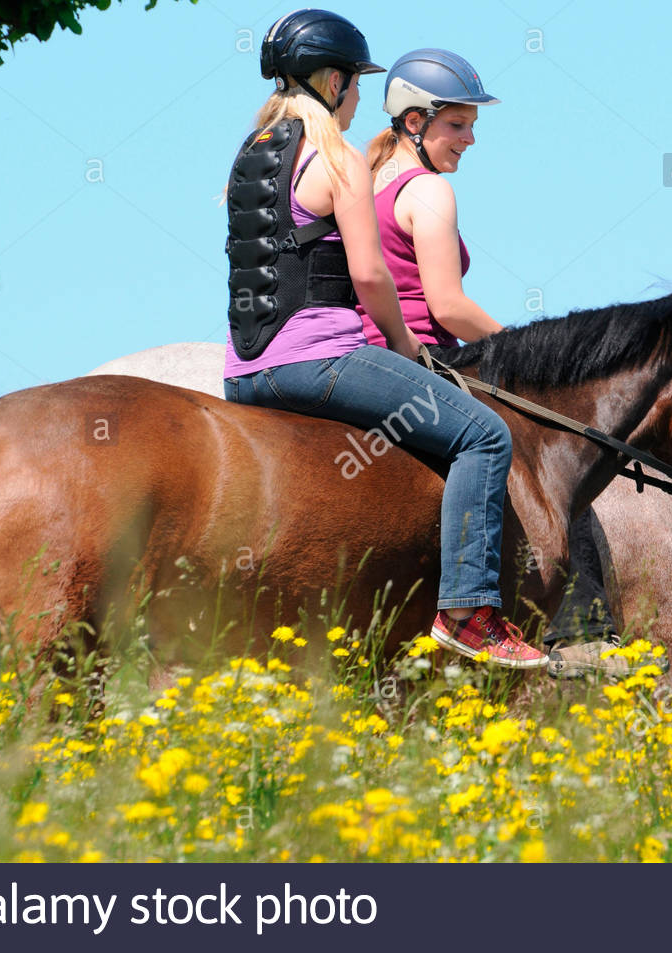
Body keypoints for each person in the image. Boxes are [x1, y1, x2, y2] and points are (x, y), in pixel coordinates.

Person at [222, 10, 545, 669]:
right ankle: (469, 615)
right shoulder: (337, 159)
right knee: (485, 436)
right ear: (333, 82)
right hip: (320, 361)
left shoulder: (248, 159)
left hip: (244, 371)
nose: (358, 98)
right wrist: (402, 345)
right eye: (356, 83)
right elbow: (369, 276)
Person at [359, 49, 623, 678]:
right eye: (458, 125)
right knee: (558, 444)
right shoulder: (428, 190)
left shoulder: (369, 184)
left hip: (373, 354)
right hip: (431, 355)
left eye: (472, 126)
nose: (470, 139)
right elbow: (447, 305)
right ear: (415, 122)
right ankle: (583, 633)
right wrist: (529, 354)